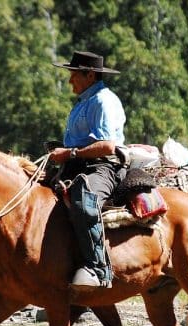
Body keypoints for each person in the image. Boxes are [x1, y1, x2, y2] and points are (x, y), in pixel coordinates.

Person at [50, 50, 126, 290]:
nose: (70, 80)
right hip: (79, 164)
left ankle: (98, 267)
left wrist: (69, 153)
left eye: (74, 75)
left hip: (103, 166)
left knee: (84, 201)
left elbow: (107, 146)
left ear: (90, 74)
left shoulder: (103, 101)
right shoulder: (85, 101)